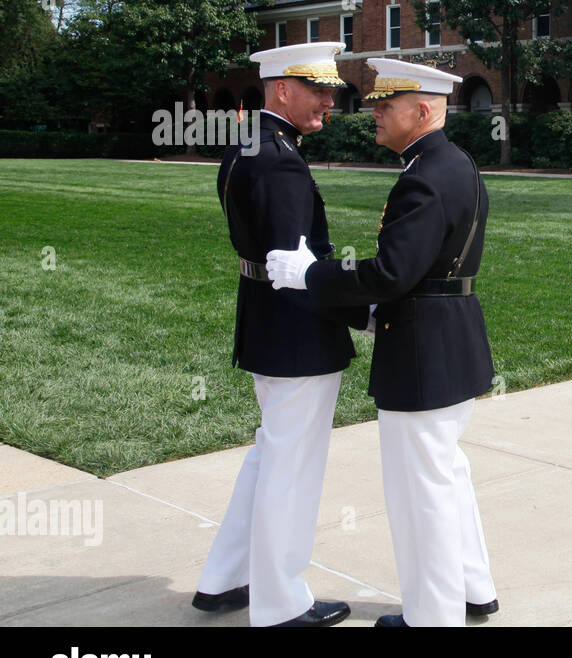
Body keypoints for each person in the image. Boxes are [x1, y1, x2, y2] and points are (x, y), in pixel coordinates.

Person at [266, 58, 498, 627]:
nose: (373, 115)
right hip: (451, 340)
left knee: (422, 496)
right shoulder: (454, 163)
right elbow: (427, 270)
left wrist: (311, 276)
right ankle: (472, 590)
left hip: (422, 354)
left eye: (385, 106)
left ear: (421, 111)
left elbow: (392, 272)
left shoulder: (423, 176)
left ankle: (432, 617)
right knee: (445, 475)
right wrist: (367, 309)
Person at [194, 42, 366, 628]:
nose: (328, 101)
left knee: (271, 456)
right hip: (295, 332)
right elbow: (296, 267)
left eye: (331, 91)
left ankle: (225, 578)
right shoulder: (281, 159)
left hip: (266, 323)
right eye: (316, 89)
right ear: (281, 90)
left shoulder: (248, 144)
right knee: (291, 467)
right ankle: (279, 603)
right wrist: (363, 304)